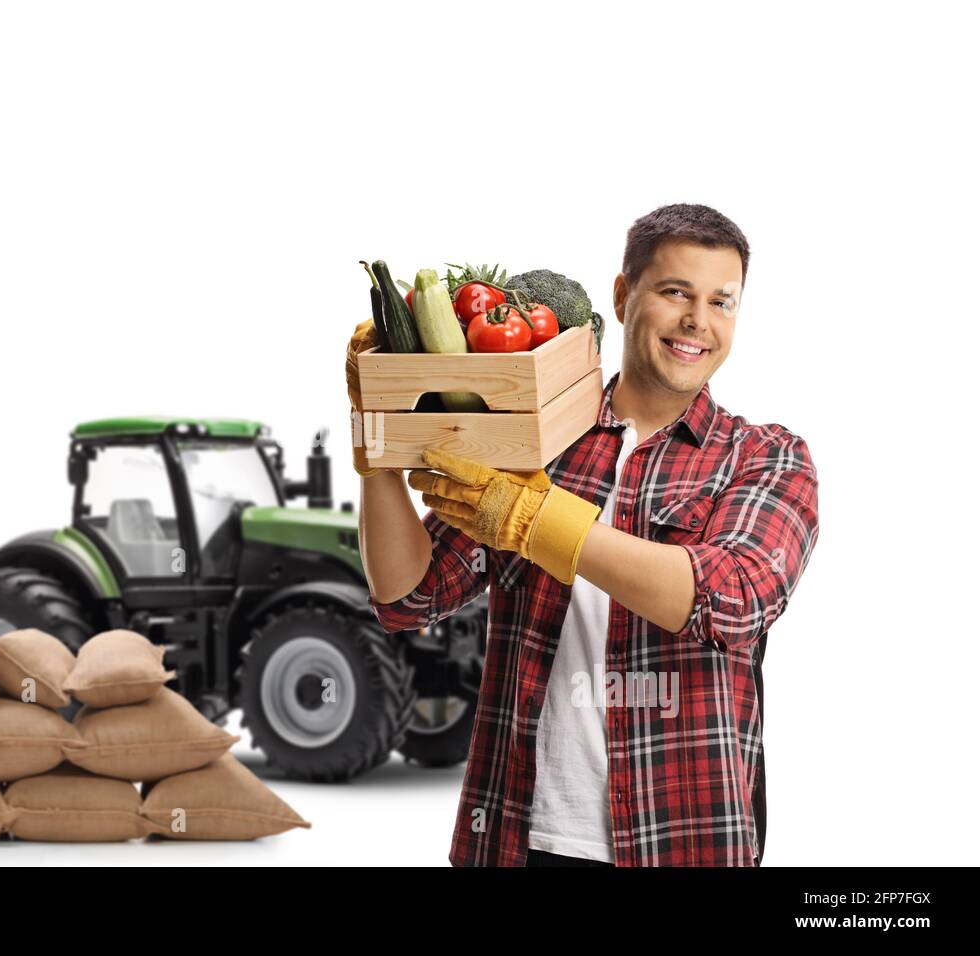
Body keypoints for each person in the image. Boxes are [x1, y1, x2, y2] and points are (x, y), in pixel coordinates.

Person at [347, 203, 820, 867]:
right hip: (516, 839)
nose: (698, 321)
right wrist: (378, 442)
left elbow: (731, 600)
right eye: (675, 292)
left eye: (722, 301)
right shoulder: (534, 439)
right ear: (623, 298)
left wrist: (538, 521)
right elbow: (409, 596)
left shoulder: (765, 457)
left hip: (682, 842)